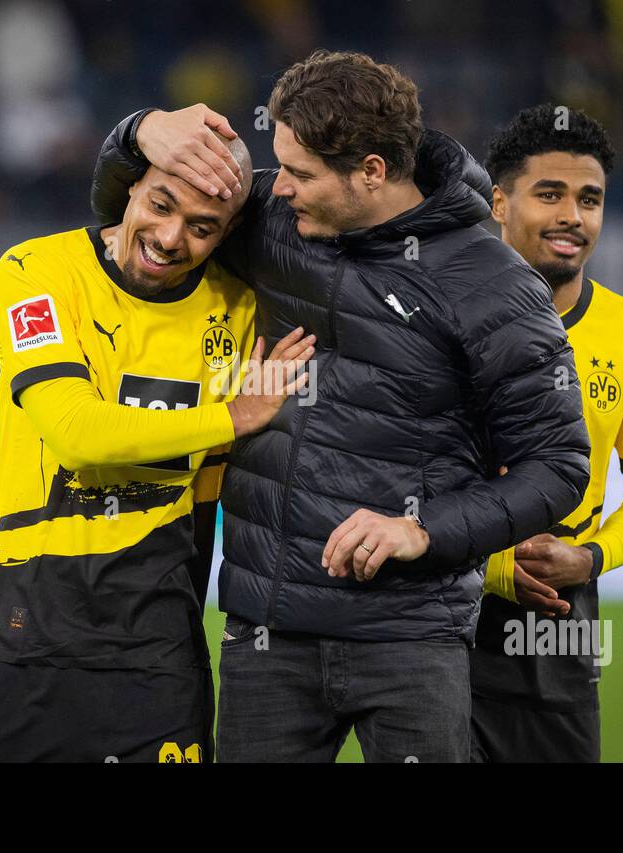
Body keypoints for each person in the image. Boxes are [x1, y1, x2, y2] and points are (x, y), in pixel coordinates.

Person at [91, 50, 591, 762]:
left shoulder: (494, 286)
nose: (278, 187)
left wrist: (422, 529)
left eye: (298, 172)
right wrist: (139, 132)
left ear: (373, 172)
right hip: (266, 636)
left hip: (413, 635)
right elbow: (131, 212)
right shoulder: (271, 220)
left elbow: (558, 464)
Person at [0, 132, 316, 762]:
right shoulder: (37, 269)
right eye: (161, 205)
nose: (172, 238)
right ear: (130, 189)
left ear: (227, 236)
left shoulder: (241, 311)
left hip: (157, 649)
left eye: (203, 226)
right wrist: (234, 416)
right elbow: (78, 435)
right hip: (23, 629)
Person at [470, 105, 623, 762]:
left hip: (559, 618)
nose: (573, 216)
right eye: (550, 194)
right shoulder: (436, 316)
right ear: (500, 203)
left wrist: (590, 558)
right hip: (438, 610)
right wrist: (493, 564)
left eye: (589, 199)